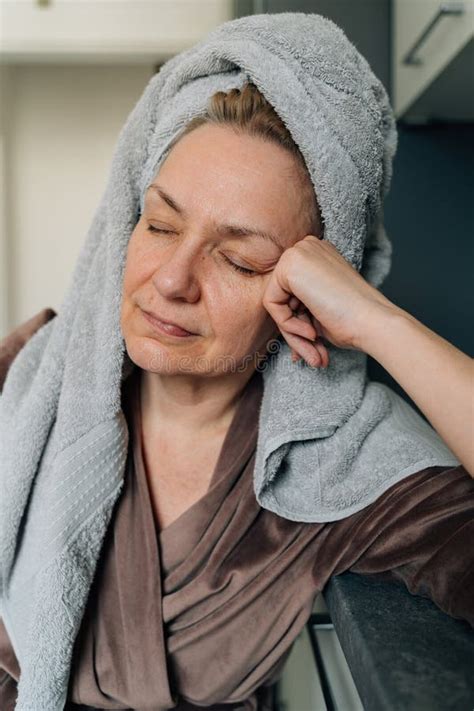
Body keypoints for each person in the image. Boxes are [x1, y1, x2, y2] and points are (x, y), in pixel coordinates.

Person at [0, 13, 472, 711]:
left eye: (239, 258)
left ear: (305, 290)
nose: (172, 279)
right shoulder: (24, 382)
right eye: (159, 224)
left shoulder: (343, 469)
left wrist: (379, 322)